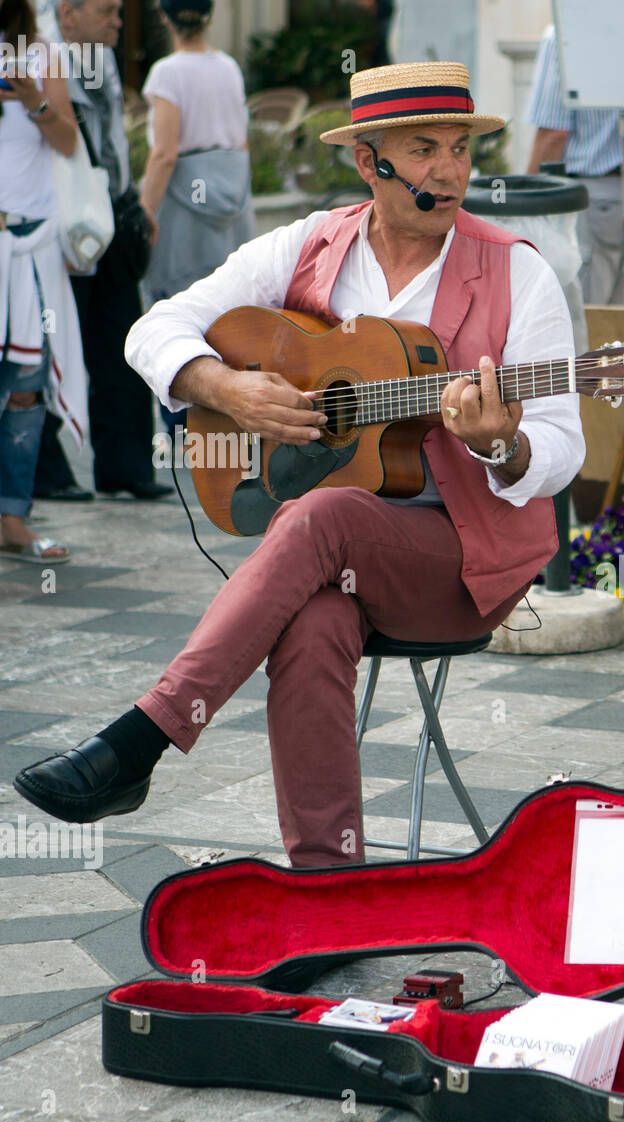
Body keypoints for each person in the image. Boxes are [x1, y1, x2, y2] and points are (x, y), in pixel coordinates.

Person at [14, 62, 584, 868]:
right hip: (337, 555)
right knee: (313, 621)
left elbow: (563, 447)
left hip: (461, 563)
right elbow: (154, 328)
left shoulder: (517, 272)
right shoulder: (308, 245)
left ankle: (142, 738)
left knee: (317, 515)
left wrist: (500, 442)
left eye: (460, 148)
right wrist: (226, 387)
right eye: (424, 150)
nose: (450, 170)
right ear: (369, 163)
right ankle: (326, 886)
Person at [42, 0, 170, 499]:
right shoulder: (42, 61)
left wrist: (136, 204)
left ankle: (128, 469)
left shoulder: (104, 59)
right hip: (64, 219)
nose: (119, 21)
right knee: (58, 342)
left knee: (121, 342)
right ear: (68, 14)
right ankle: (45, 472)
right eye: (107, 11)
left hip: (111, 213)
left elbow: (115, 140)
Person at [138, 0, 255, 434]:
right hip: (232, 195)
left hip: (185, 202)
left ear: (164, 16)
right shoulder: (228, 67)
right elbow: (242, 142)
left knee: (176, 309)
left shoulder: (167, 72)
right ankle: (227, 421)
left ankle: (181, 427)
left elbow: (165, 151)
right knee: (226, 311)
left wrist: (144, 212)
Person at [0, 0, 88, 562]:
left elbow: (70, 142)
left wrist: (33, 101)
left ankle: (13, 519)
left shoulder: (42, 57)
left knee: (25, 388)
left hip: (30, 244)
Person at [525, 23, 624, 306]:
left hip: (590, 198)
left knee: (584, 316)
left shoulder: (565, 31)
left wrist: (524, 206)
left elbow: (553, 135)